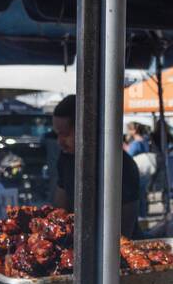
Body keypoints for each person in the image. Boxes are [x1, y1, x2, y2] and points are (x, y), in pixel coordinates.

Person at [50, 96, 141, 237]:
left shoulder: (120, 164)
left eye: (65, 134)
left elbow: (124, 228)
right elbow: (60, 208)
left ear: (85, 129)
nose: (59, 142)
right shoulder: (66, 159)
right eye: (57, 134)